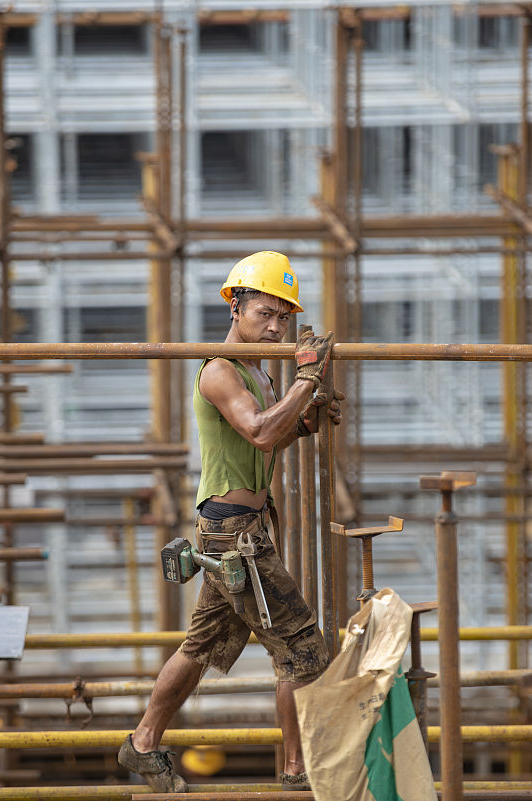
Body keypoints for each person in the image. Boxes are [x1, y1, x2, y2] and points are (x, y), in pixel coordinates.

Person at [118, 250, 342, 793]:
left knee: (201, 647)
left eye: (283, 317)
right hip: (234, 535)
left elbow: (269, 439)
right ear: (235, 307)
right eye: (265, 313)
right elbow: (260, 432)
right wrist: (306, 381)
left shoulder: (260, 374)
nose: (276, 327)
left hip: (240, 528)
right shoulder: (220, 371)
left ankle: (142, 743)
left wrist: (306, 421)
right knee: (301, 648)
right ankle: (297, 769)